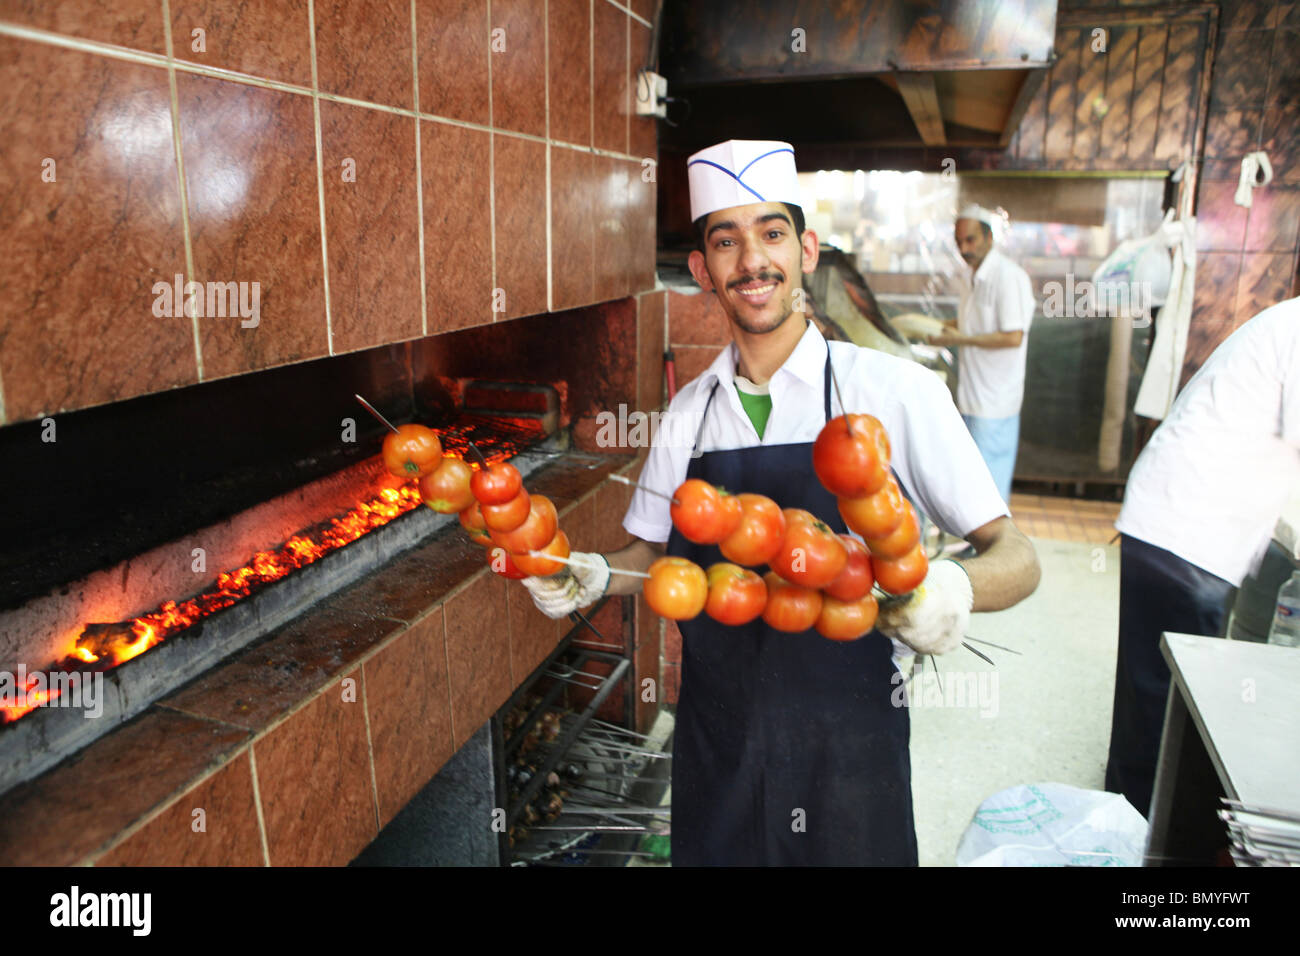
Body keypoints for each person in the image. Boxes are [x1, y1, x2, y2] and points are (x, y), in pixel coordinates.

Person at [524, 140, 1041, 866]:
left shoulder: (893, 394)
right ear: (702, 269)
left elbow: (1018, 558)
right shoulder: (687, 416)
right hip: (720, 742)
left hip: (851, 742)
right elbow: (650, 555)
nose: (752, 262)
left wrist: (950, 589)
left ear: (807, 250)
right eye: (725, 241)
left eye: (770, 234)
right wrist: (599, 574)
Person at [1105, 295, 1300, 818]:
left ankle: (1132, 827)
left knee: (1156, 701)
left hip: (1183, 526)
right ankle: (1144, 840)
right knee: (1167, 709)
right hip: (1186, 532)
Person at [929, 205, 1035, 504]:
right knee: (971, 485)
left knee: (990, 492)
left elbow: (1013, 336)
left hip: (995, 402)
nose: (964, 248)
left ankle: (992, 550)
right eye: (959, 241)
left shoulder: (1008, 277)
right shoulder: (969, 277)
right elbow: (970, 323)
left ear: (989, 237)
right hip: (971, 397)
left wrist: (962, 338)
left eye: (971, 240)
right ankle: (971, 547)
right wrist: (934, 327)